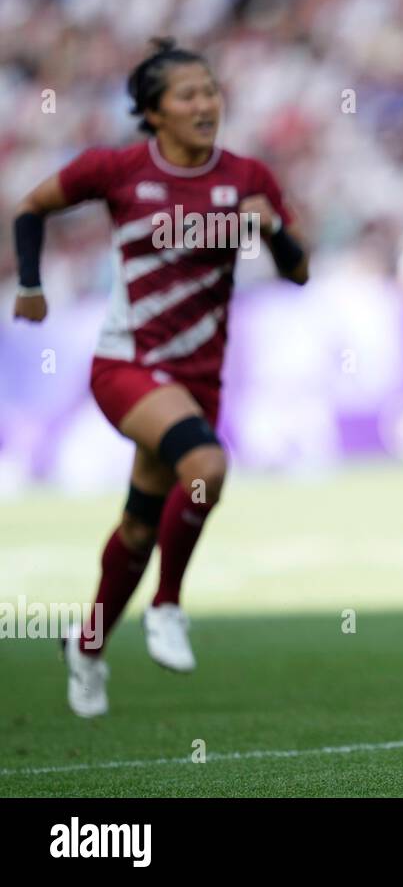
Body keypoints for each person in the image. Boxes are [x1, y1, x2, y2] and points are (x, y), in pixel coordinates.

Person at [12, 38, 310, 717]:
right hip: (128, 364)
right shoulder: (116, 169)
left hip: (199, 377)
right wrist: (30, 285)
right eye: (187, 94)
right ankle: (169, 607)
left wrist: (273, 233)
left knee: (140, 529)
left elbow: (298, 272)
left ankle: (86, 645)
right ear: (153, 113)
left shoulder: (247, 176)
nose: (205, 103)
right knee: (206, 462)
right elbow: (30, 207)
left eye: (210, 90)